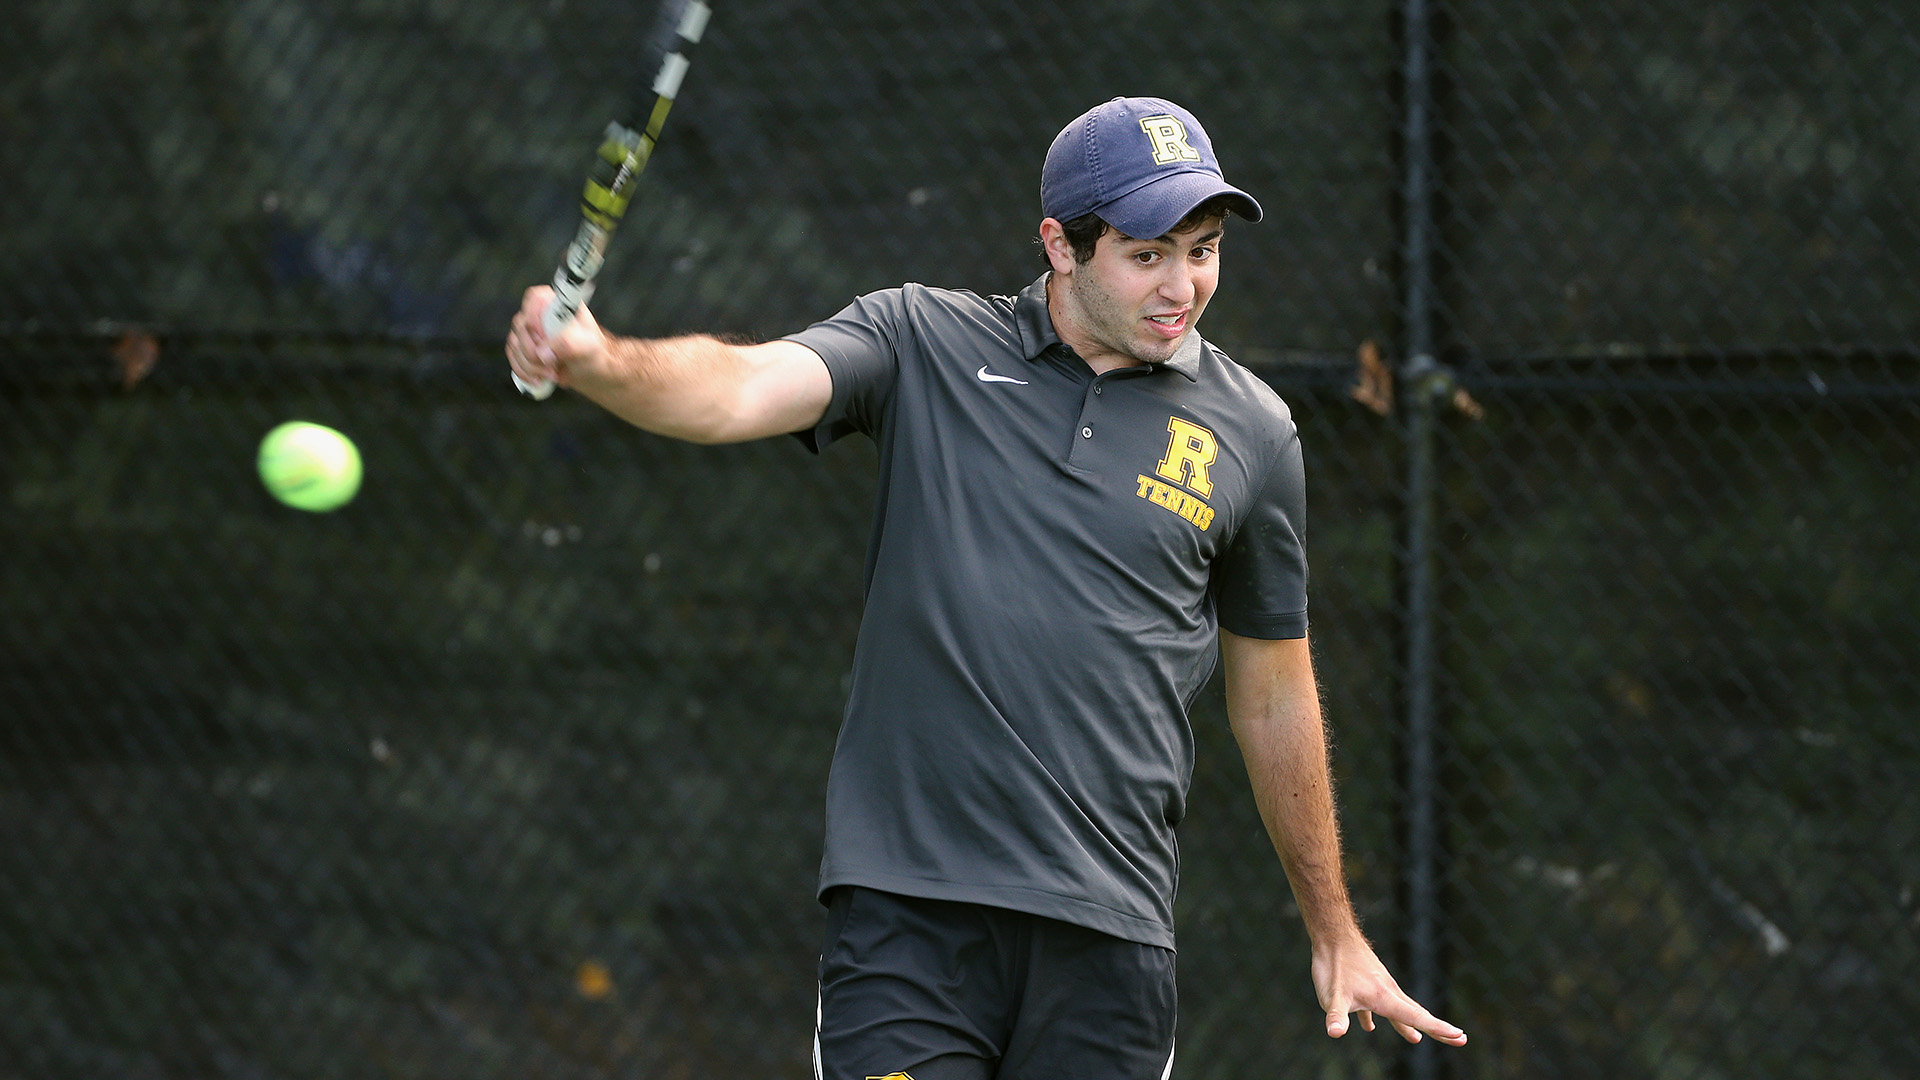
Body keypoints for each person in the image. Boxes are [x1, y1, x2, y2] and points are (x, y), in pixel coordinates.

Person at [505, 96, 1465, 1079]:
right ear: (1061, 244)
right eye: (1148, 255)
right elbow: (736, 390)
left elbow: (1274, 694)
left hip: (1112, 942)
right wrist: (600, 361)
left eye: (1205, 250)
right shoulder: (921, 341)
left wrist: (1334, 928)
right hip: (907, 923)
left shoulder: (1254, 434)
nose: (1184, 286)